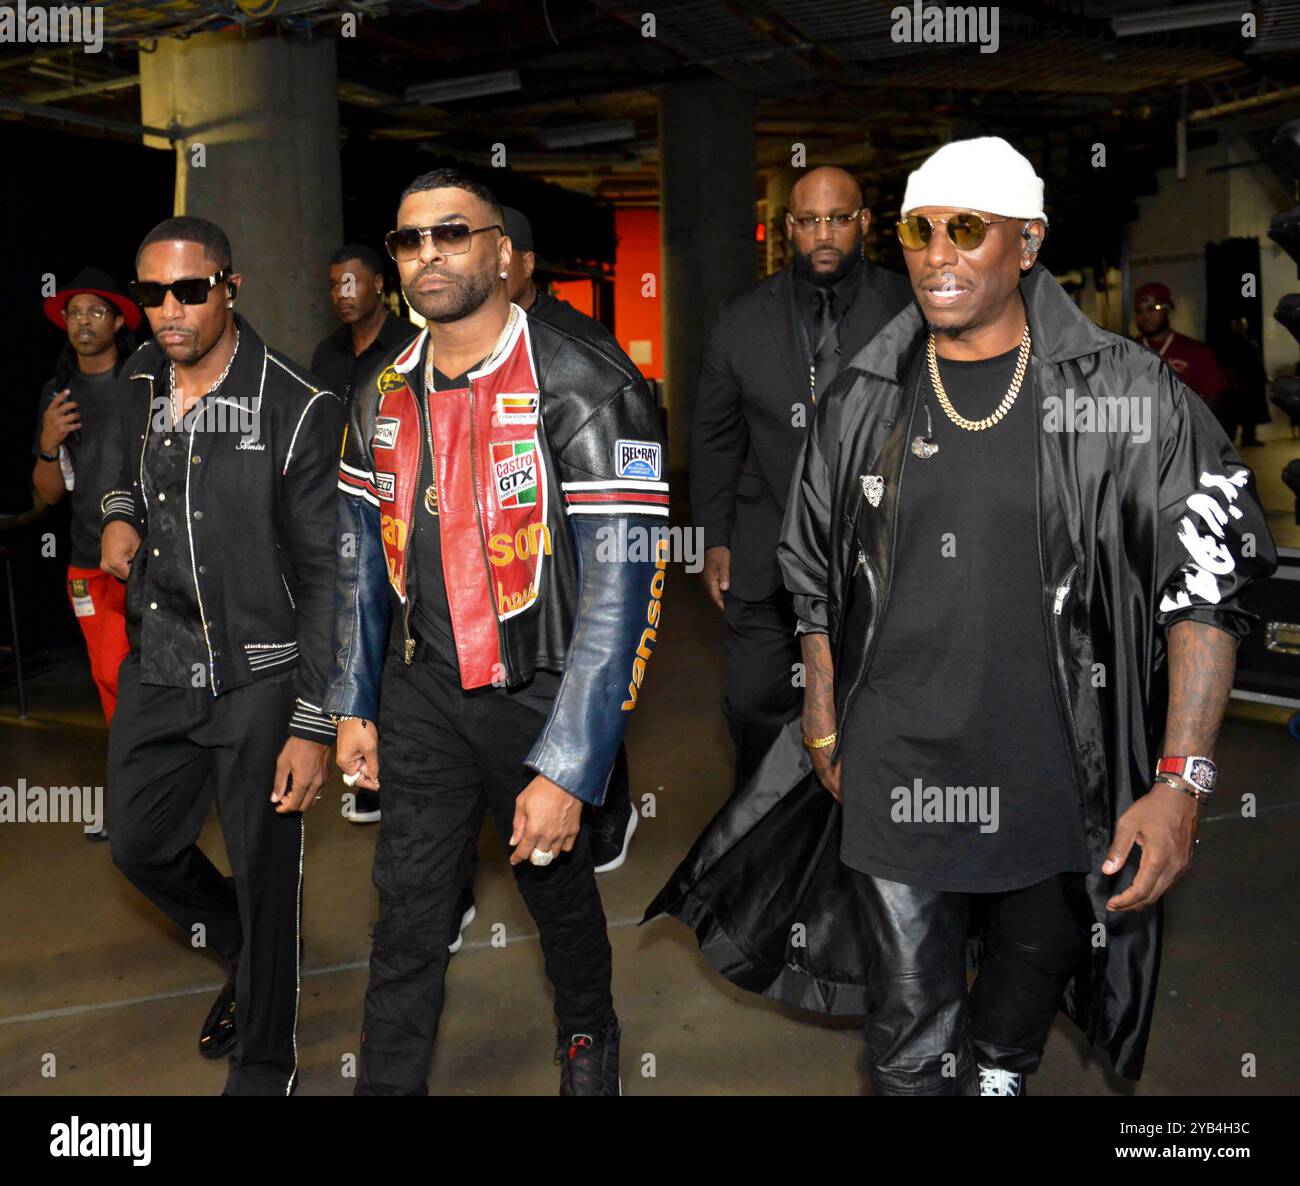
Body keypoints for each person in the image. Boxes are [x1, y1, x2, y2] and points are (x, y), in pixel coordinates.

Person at [780, 137, 1276, 1095]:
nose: (938, 254)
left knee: (1019, 1006)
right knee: (909, 1045)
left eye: (968, 228)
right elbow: (811, 565)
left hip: (1059, 763)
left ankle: (1000, 1068)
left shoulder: (1127, 397)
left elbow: (1209, 584)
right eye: (920, 230)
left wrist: (1182, 777)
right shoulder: (863, 395)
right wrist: (823, 707)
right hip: (897, 762)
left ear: (1029, 243)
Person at [325, 168, 668, 1096]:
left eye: (452, 233)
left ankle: (590, 1038)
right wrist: (351, 704)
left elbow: (622, 595)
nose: (428, 253)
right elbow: (358, 561)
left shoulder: (590, 384)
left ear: (503, 255)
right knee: (405, 914)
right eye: (409, 239)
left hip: (540, 689)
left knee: (554, 888)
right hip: (422, 689)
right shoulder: (380, 389)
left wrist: (570, 763)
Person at [99, 216, 344, 1095]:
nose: (170, 310)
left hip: (261, 675)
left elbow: (328, 579)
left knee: (267, 871)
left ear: (229, 287)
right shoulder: (138, 380)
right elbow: (114, 466)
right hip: (160, 663)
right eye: (152, 294)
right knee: (138, 843)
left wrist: (315, 721)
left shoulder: (298, 408)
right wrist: (120, 511)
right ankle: (236, 943)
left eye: (190, 290)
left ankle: (265, 1061)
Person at [691, 165, 912, 792]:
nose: (823, 234)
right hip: (765, 553)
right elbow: (714, 439)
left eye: (838, 219)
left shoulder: (908, 306)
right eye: (809, 220)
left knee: (872, 707)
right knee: (754, 702)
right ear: (789, 226)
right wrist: (714, 537)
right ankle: (759, 835)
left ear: (864, 223)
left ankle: (858, 848)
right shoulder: (740, 318)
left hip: (882, 551)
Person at [310, 243, 419, 825]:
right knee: (351, 637)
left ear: (378, 284)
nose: (343, 295)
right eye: (334, 286)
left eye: (352, 283)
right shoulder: (326, 355)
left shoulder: (408, 347)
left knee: (395, 643)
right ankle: (369, 768)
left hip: (399, 515)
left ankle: (398, 776)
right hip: (339, 513)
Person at [33, 268, 140, 777]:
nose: (83, 321)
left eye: (96, 311)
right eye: (74, 312)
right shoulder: (58, 393)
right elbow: (48, 493)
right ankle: (132, 783)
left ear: (119, 321)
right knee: (105, 674)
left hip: (141, 559)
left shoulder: (144, 380)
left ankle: (143, 784)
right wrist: (48, 444)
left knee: (127, 671)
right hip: (84, 560)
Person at [1133, 281, 1231, 428]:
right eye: (1139, 311)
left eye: (1154, 308)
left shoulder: (1196, 351)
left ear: (1169, 309)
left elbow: (1215, 397)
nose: (1145, 316)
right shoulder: (1124, 352)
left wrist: (1186, 426)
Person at [1216, 317, 1271, 447]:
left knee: (1250, 413)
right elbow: (1226, 366)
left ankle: (1249, 438)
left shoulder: (1251, 343)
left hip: (1252, 382)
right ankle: (1228, 440)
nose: (1240, 327)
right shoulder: (1229, 345)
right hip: (1237, 383)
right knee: (1232, 414)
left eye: (1242, 325)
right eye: (1237, 325)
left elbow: (1257, 363)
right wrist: (1235, 382)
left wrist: (1264, 377)